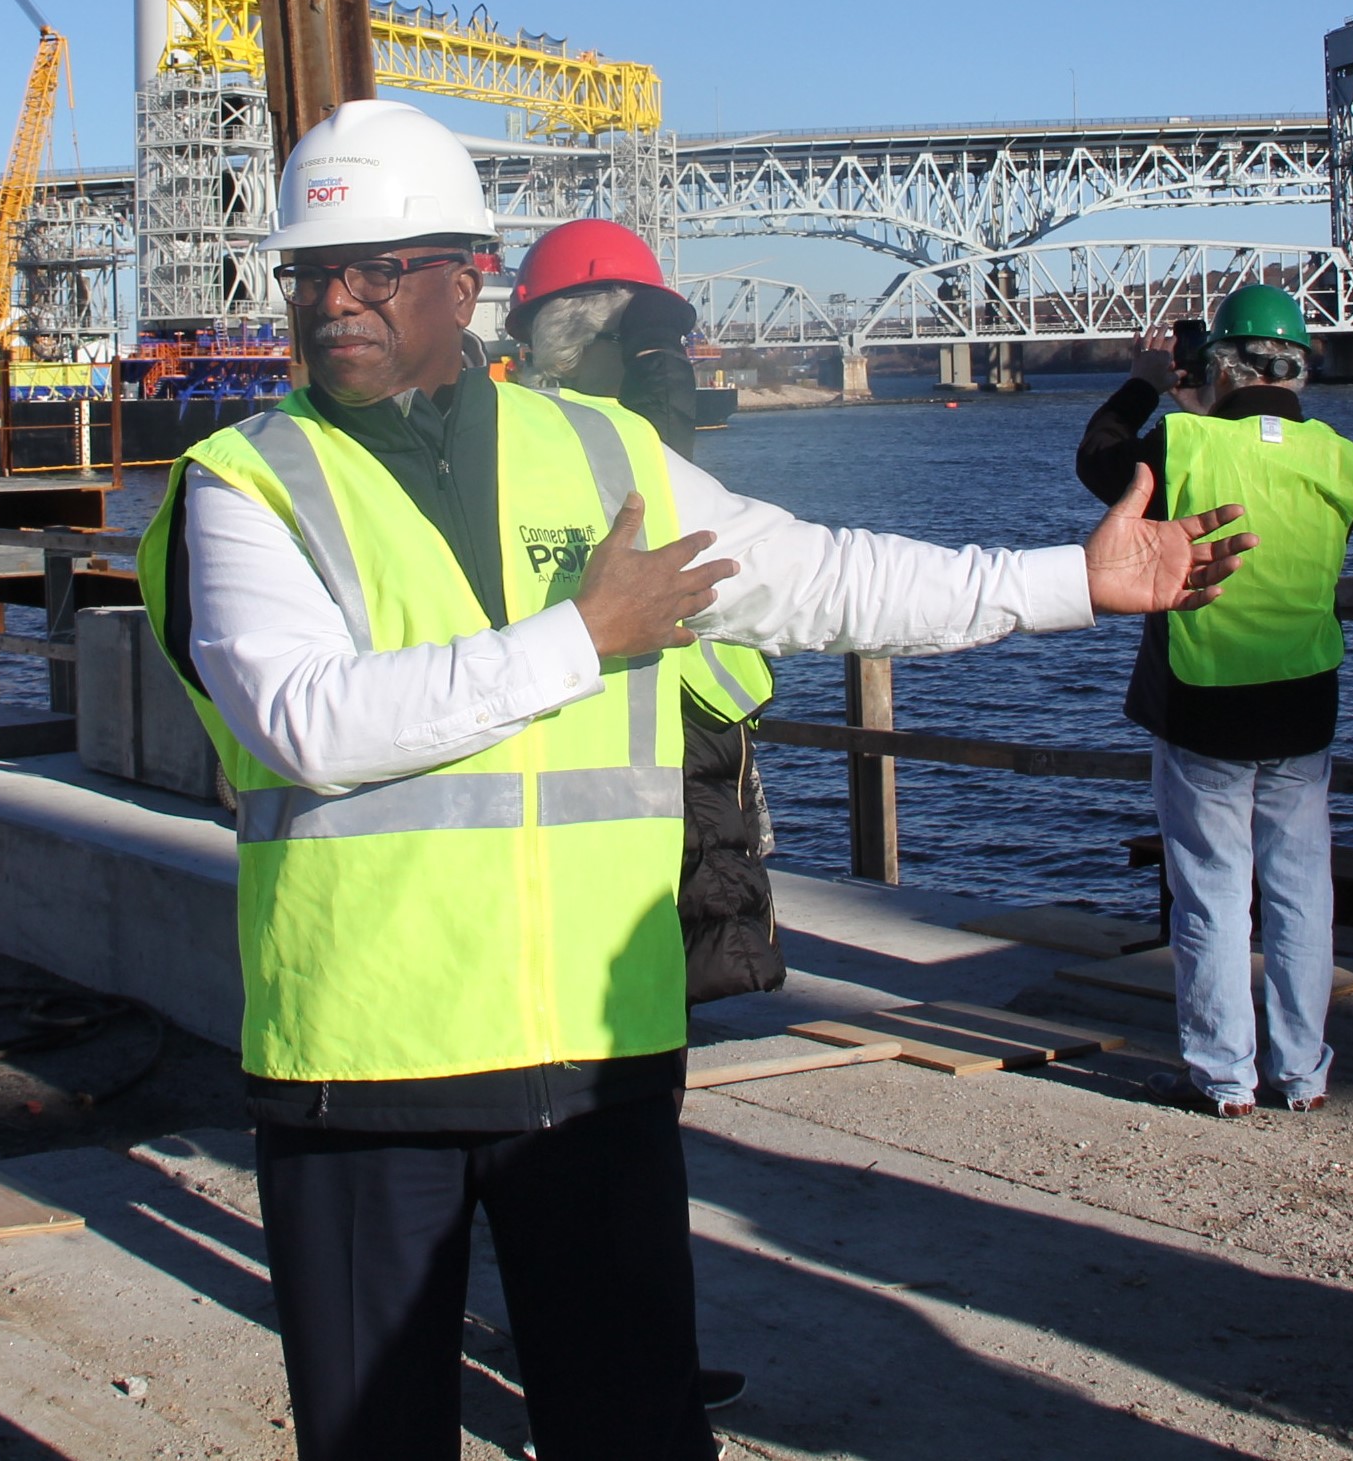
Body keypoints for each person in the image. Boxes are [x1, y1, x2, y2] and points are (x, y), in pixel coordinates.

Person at [139, 98, 1253, 1461]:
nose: (337, 301)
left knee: (636, 1435)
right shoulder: (243, 485)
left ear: (464, 281)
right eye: (314, 272)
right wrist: (581, 636)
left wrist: (1068, 582)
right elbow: (303, 720)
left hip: (594, 1063)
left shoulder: (599, 453)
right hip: (369, 1067)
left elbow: (821, 575)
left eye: (375, 269)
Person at [1078, 287, 1353, 1117]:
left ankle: (1224, 1077)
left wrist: (1141, 382)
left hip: (1206, 705)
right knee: (1301, 892)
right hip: (1304, 700)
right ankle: (1303, 1073)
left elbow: (1098, 458)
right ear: (1298, 367)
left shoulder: (1182, 439)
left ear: (1219, 367)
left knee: (1210, 892)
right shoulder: (1338, 455)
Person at [504, 218, 785, 1011]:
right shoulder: (606, 454)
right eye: (655, 345)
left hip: (663, 745)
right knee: (644, 969)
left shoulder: (522, 439)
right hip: (661, 751)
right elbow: (656, 438)